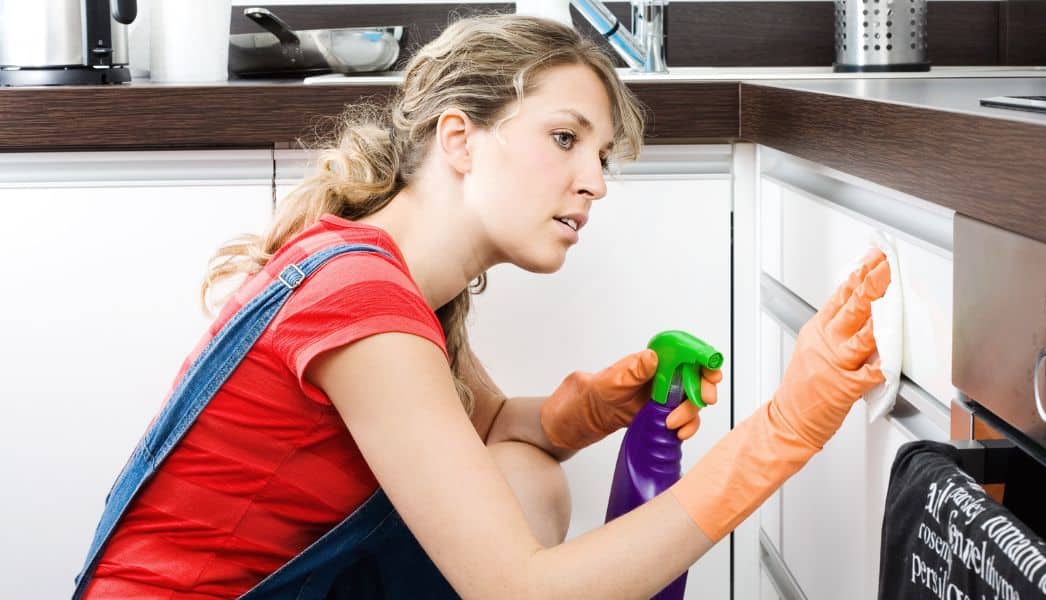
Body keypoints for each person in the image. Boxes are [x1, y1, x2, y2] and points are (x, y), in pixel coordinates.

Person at [73, 13, 889, 599]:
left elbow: (482, 429)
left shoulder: (376, 271)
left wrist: (580, 414)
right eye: (566, 139)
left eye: (602, 156)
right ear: (458, 139)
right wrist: (783, 434)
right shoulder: (363, 303)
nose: (596, 182)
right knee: (524, 500)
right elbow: (521, 590)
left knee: (526, 475)